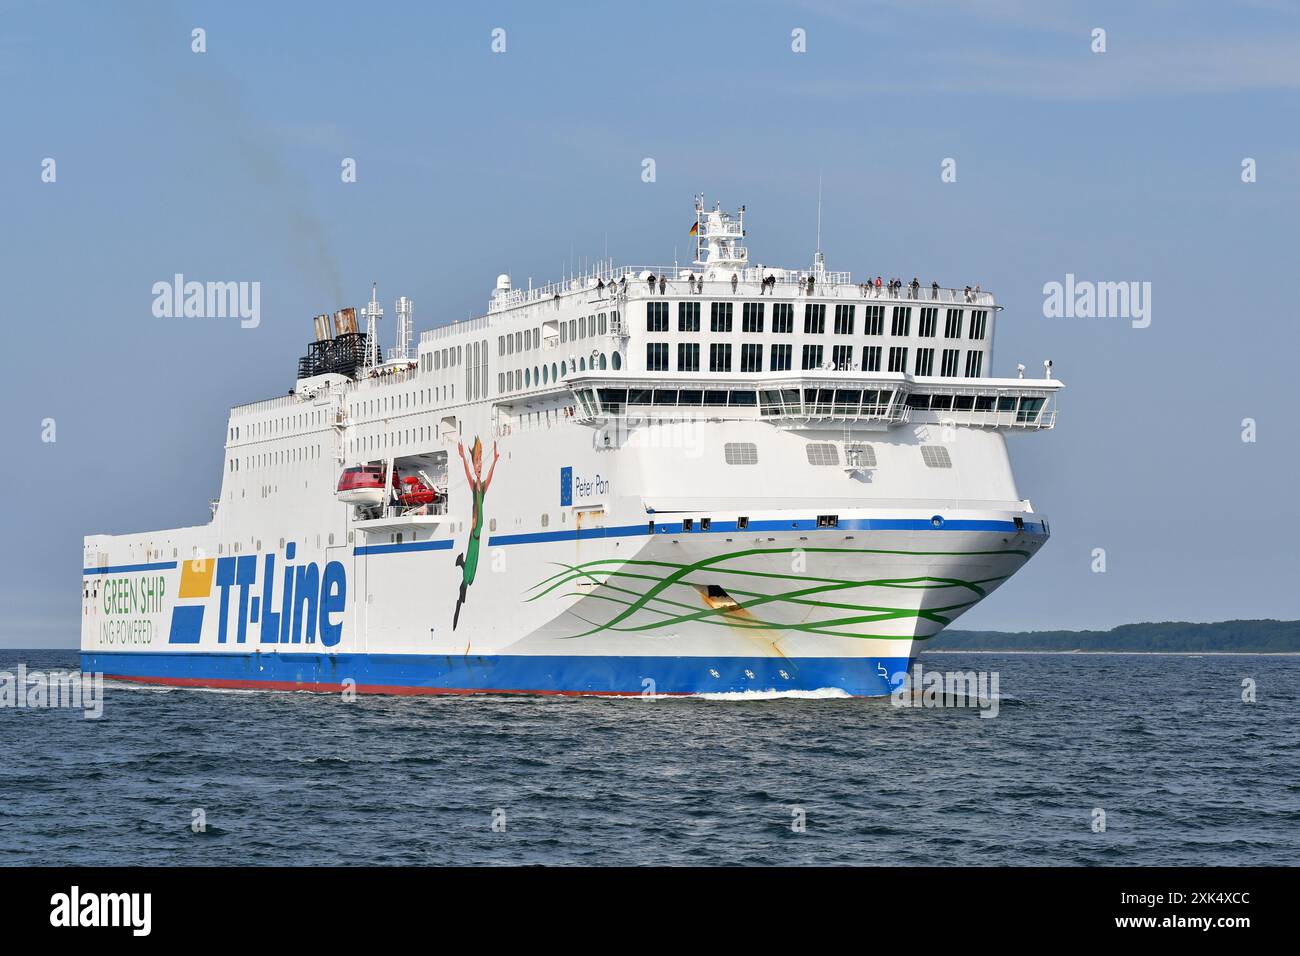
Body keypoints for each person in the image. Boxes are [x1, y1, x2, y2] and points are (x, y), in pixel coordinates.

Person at [452, 437, 500, 630]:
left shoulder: (482, 488)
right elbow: (466, 473)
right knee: (469, 576)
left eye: (480, 463)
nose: (479, 466)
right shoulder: (474, 486)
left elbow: (490, 478)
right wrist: (463, 456)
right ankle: (459, 597)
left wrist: (495, 461)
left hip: (478, 536)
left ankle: (462, 565)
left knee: (471, 573)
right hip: (474, 534)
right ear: (474, 465)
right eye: (477, 463)